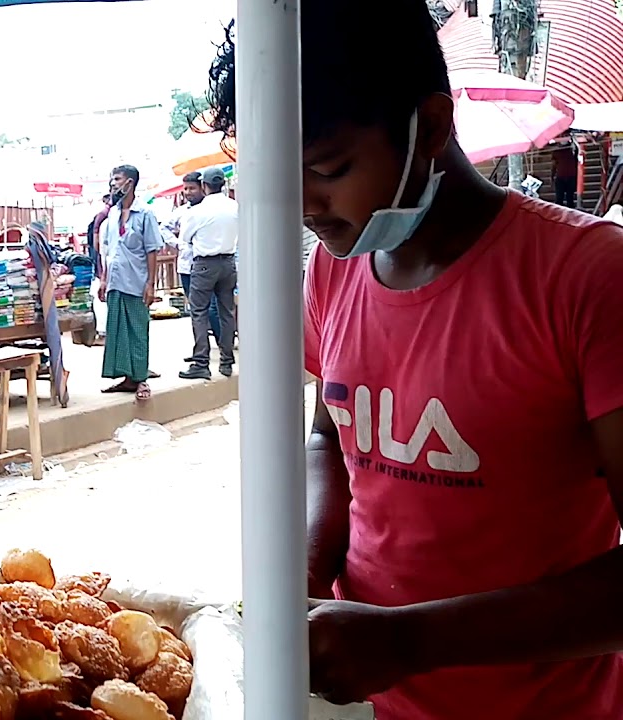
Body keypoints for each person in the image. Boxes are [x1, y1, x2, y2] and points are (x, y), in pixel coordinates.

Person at [208, 3, 623, 718]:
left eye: (327, 169)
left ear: (430, 126)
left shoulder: (588, 280)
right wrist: (303, 567)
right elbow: (330, 440)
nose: (303, 205)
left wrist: (412, 640)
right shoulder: (336, 271)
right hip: (378, 705)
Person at [98, 164, 163, 401]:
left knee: (137, 331)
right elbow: (108, 251)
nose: (113, 183)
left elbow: (152, 250)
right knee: (117, 332)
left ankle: (140, 378)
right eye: (112, 179)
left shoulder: (145, 214)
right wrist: (104, 279)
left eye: (117, 179)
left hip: (136, 282)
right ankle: (127, 378)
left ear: (130, 183)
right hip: (115, 280)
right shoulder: (112, 214)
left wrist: (151, 284)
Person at [178, 167, 238, 380]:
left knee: (199, 312)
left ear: (204, 186)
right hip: (229, 262)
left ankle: (201, 362)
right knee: (227, 311)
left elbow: (185, 237)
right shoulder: (235, 206)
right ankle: (227, 360)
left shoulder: (196, 211)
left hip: (205, 263)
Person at [551, 143, 578, 208]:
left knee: (569, 199)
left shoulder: (573, 150)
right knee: (560, 199)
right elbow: (554, 165)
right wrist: (552, 176)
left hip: (570, 176)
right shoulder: (557, 152)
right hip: (561, 177)